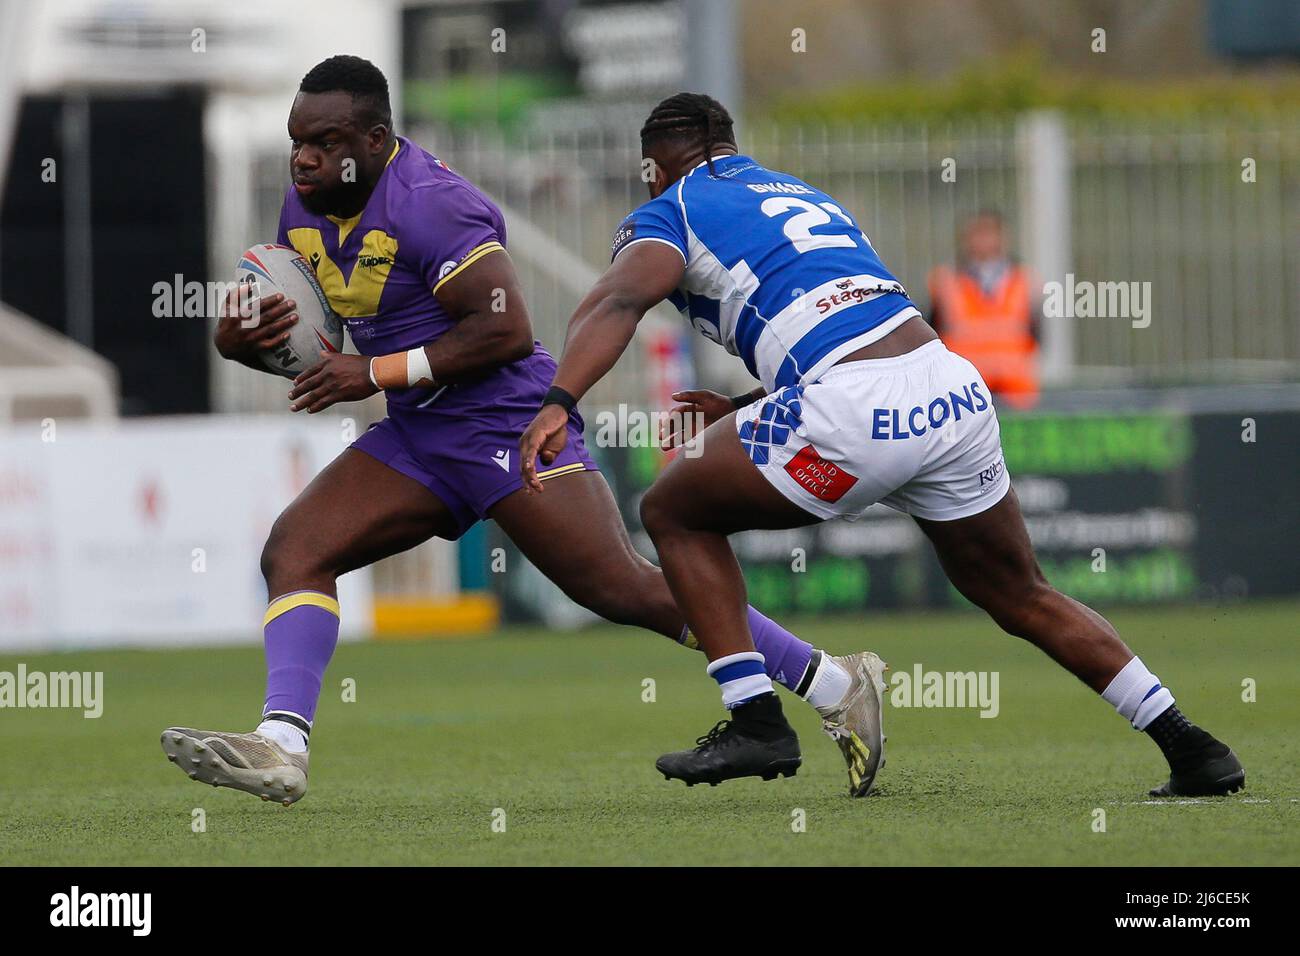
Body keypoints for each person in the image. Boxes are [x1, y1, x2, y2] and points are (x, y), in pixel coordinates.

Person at [160, 58, 887, 805]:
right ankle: (282, 746)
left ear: (375, 140)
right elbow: (326, 346)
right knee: (296, 550)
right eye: (296, 141)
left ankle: (833, 682)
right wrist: (242, 341)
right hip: (419, 436)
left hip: (505, 421)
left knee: (621, 586)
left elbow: (506, 328)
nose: (304, 158)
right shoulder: (303, 208)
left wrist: (371, 373)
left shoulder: (432, 206)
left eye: (324, 141)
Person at [519, 92, 1244, 797]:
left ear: (656, 164)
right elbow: (847, 324)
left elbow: (618, 299)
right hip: (950, 389)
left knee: (675, 509)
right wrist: (744, 404)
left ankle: (756, 719)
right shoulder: (801, 193)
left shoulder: (669, 208)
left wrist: (559, 400)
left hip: (855, 410)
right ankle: (1190, 743)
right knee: (1018, 590)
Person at [927, 211, 1040, 409]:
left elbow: (1036, 334)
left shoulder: (1025, 280)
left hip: (1016, 393)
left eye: (990, 233)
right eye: (978, 233)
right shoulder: (946, 282)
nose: (984, 240)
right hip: (964, 392)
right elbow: (934, 332)